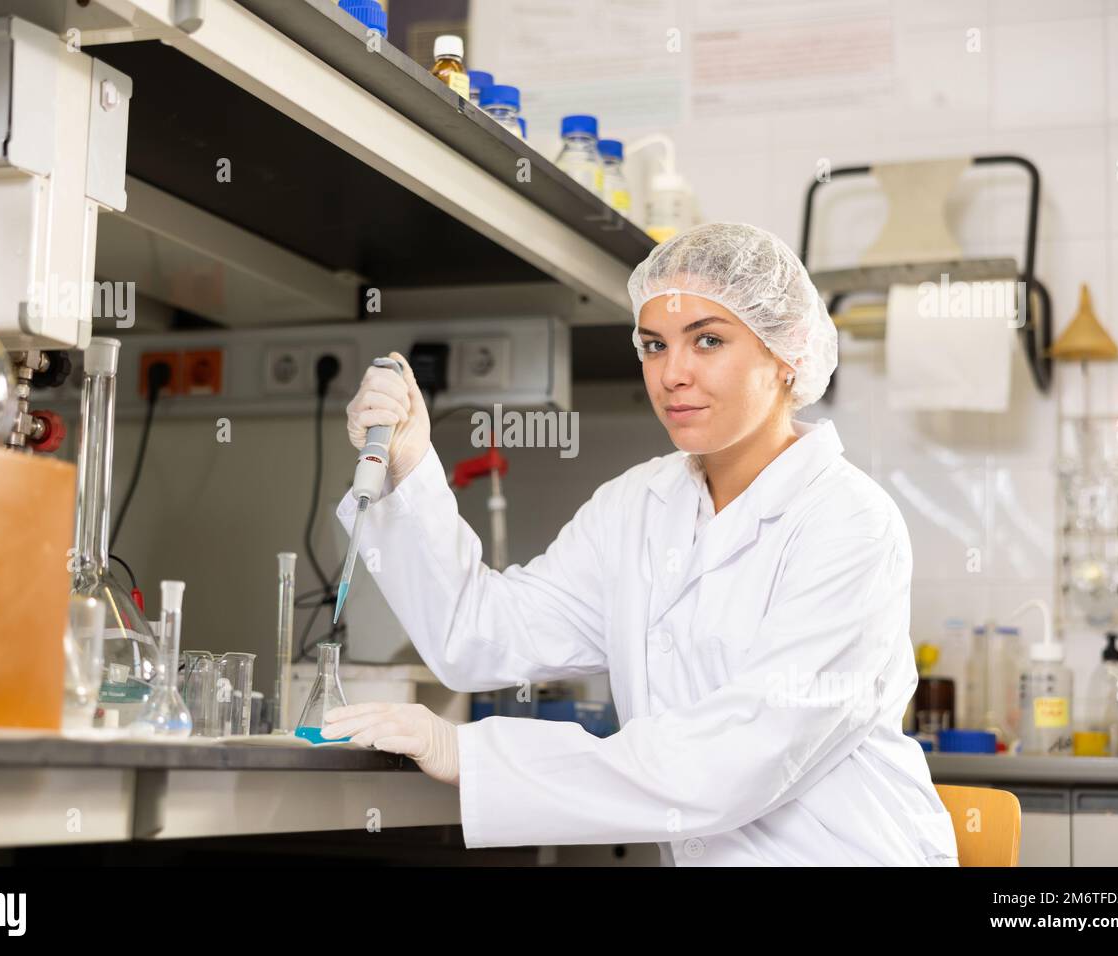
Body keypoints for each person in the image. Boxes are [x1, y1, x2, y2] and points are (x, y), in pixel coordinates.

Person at [321, 222, 959, 866]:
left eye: (707, 340)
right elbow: (479, 633)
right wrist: (409, 468)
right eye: (653, 345)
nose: (672, 374)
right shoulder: (636, 506)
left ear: (787, 351)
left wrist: (472, 755)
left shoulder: (848, 522)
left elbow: (742, 755)